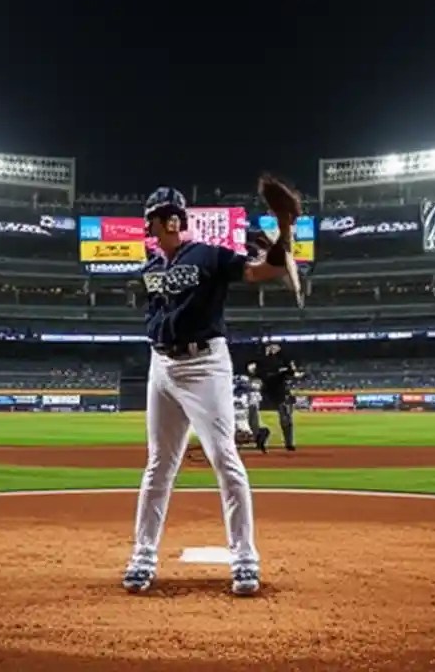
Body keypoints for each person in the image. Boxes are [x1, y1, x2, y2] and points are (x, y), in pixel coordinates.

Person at [123, 186, 292, 597]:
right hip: (160, 364)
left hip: (205, 364)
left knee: (225, 458)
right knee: (159, 465)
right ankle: (143, 556)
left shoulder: (210, 255)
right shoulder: (150, 263)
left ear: (172, 220)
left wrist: (284, 236)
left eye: (154, 218)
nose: (149, 226)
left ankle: (245, 558)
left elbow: (260, 272)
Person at [250, 343, 302, 451]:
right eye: (272, 347)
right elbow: (259, 373)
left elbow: (291, 372)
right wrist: (280, 372)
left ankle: (289, 442)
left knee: (285, 417)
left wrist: (289, 370)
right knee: (252, 414)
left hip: (278, 391)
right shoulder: (261, 360)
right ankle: (259, 435)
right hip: (265, 390)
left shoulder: (283, 359)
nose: (275, 349)